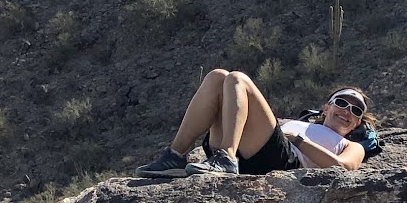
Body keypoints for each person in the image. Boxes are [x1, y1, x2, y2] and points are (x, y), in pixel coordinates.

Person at [136, 70, 378, 177]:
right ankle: (175, 155)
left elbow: (343, 169)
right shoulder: (298, 122)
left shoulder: (350, 145)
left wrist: (298, 141)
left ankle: (227, 159)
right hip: (255, 150)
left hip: (283, 160)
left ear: (357, 123)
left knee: (238, 79)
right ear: (326, 107)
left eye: (355, 111)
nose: (347, 111)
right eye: (341, 103)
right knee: (217, 77)